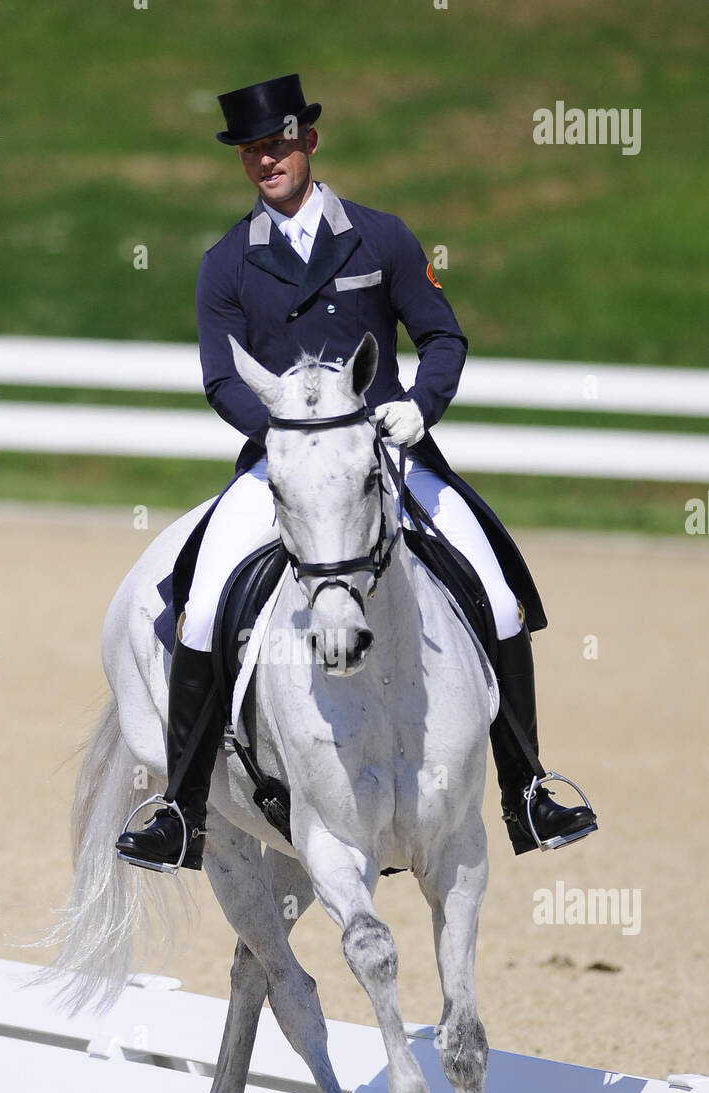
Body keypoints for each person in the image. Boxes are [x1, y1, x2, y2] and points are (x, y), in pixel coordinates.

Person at [117, 73, 597, 871]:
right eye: (249, 151)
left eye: (275, 143)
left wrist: (420, 407)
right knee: (199, 610)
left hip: (391, 454)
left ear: (308, 139)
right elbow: (220, 380)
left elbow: (441, 338)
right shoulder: (226, 263)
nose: (264, 160)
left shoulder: (382, 237)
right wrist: (282, 438)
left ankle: (527, 787)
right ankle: (182, 810)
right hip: (286, 467)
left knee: (497, 588)